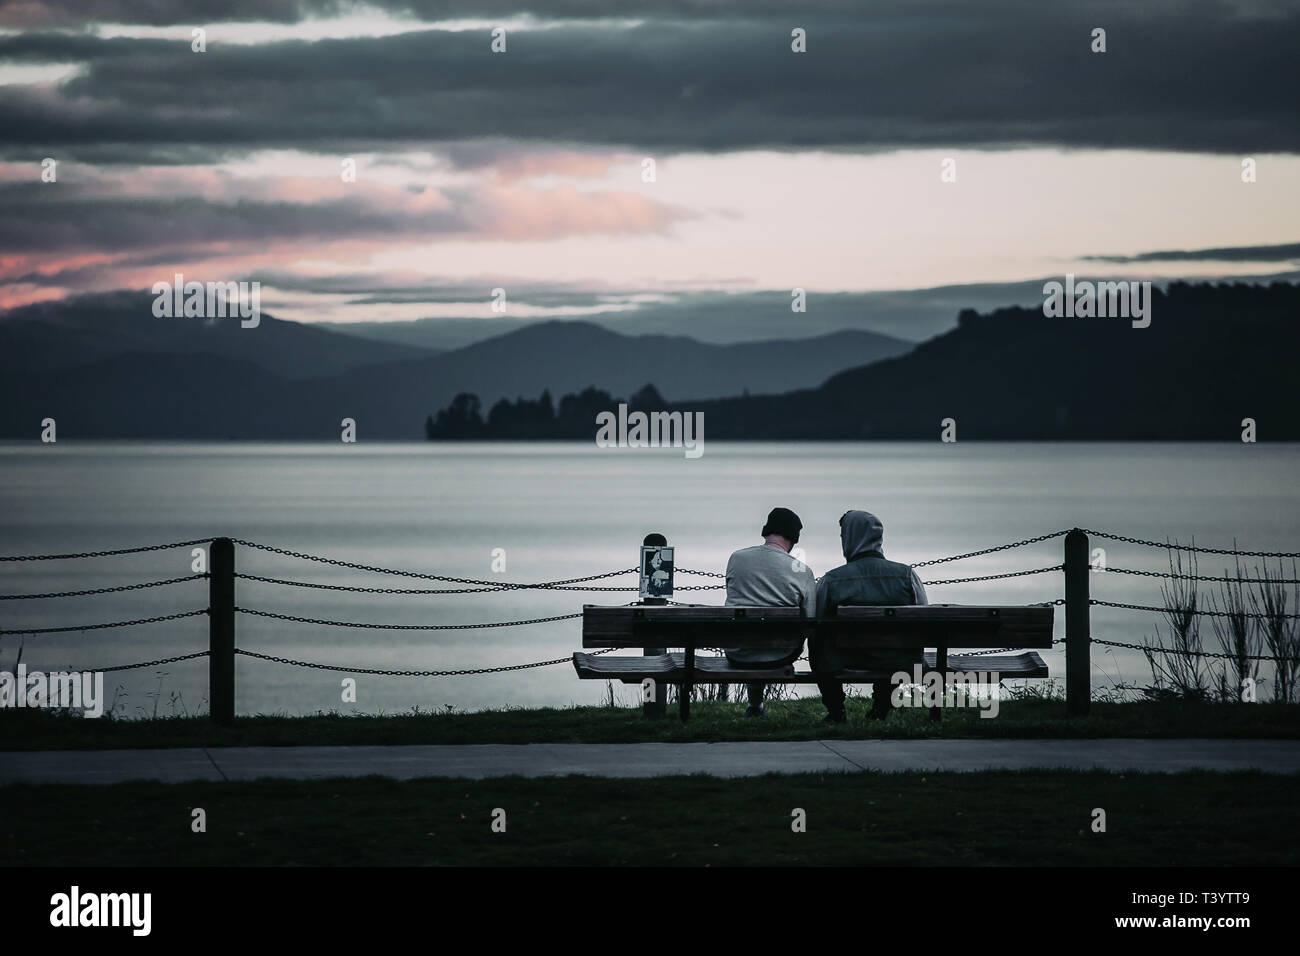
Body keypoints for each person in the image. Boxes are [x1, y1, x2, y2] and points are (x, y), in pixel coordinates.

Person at [812, 510, 928, 722]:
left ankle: (836, 710)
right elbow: (923, 616)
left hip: (847, 658)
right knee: (893, 642)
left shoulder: (832, 580)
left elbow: (816, 621)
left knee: (818, 644)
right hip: (898, 659)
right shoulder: (907, 575)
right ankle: (881, 707)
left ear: (850, 537)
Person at [722, 507, 816, 718]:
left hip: (738, 651)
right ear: (793, 539)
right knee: (765, 641)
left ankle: (755, 706)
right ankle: (756, 707)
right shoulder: (802, 571)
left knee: (752, 638)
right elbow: (810, 621)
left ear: (767, 532)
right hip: (782, 653)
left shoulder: (736, 559)